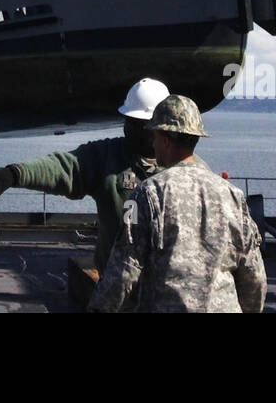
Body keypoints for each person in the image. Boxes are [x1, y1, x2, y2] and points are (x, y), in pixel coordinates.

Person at [89, 94, 265, 313]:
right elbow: (254, 275)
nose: (151, 142)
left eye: (153, 135)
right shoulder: (234, 196)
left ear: (165, 140)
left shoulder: (146, 194)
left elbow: (124, 271)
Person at [0, 78, 169, 270]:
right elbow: (64, 167)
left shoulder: (187, 172)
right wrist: (14, 174)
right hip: (115, 290)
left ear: (161, 126)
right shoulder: (107, 157)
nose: (131, 128)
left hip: (165, 292)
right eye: (129, 121)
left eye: (140, 123)